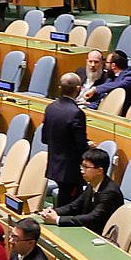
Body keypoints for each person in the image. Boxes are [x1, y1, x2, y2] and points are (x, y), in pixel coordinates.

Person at [44, 149, 122, 230]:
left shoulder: (110, 192)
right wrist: (54, 211)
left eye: (86, 167)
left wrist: (57, 219)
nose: (82, 170)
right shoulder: (92, 184)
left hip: (101, 235)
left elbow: (93, 218)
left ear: (99, 171)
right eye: (82, 166)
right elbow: (75, 206)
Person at [41, 74, 90, 202]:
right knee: (70, 205)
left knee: (63, 201)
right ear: (78, 89)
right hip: (71, 170)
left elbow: (44, 138)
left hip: (55, 166)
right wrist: (89, 145)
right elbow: (81, 146)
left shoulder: (50, 108)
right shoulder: (76, 113)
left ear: (59, 88)